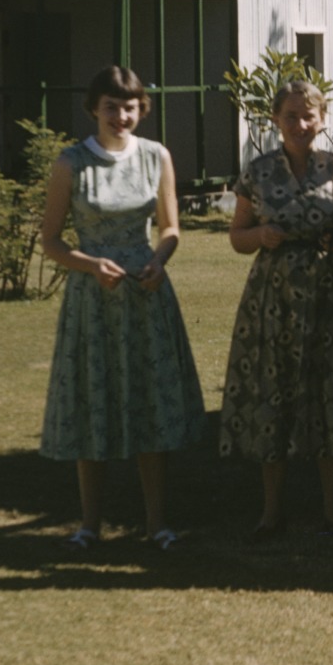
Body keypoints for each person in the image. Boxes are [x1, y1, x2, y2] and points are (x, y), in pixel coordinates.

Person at [37, 65, 206, 551]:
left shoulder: (157, 157)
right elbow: (50, 241)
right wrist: (91, 266)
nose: (121, 116)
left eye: (130, 107)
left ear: (141, 110)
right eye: (111, 106)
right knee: (95, 403)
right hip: (94, 299)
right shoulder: (70, 162)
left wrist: (159, 259)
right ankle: (90, 525)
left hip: (146, 294)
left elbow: (171, 228)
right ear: (94, 109)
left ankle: (157, 525)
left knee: (149, 406)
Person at [220, 80, 333, 538]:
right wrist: (260, 237)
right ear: (275, 121)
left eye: (309, 116)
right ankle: (271, 512)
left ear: (322, 120)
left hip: (331, 295)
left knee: (332, 393)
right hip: (275, 300)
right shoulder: (258, 171)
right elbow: (237, 236)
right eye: (290, 116)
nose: (300, 125)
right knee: (275, 391)